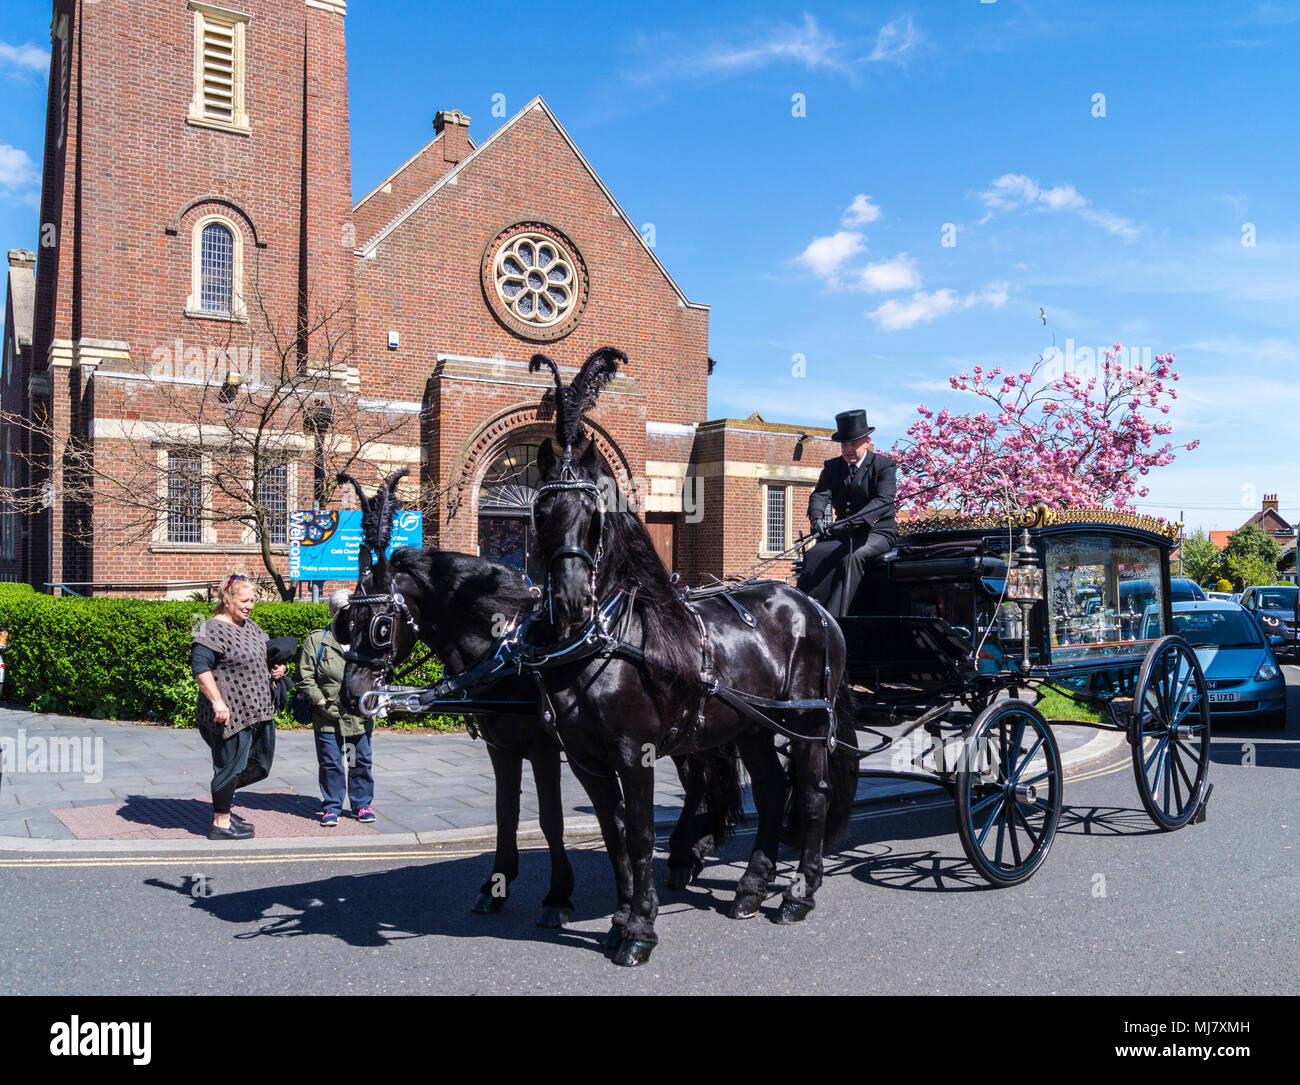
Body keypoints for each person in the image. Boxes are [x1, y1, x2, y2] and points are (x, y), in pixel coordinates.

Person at [191, 574, 286, 840]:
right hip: (229, 714)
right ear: (227, 600)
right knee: (229, 766)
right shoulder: (206, 627)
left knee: (259, 763)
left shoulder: (250, 626)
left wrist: (278, 669)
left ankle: (224, 807)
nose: (250, 605)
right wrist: (217, 701)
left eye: (252, 600)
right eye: (244, 600)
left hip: (258, 710)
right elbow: (200, 668)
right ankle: (220, 823)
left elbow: (263, 656)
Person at [796, 409, 898, 617]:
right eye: (844, 445)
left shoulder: (884, 466)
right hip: (843, 534)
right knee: (814, 553)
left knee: (852, 557)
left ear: (867, 441)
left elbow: (883, 501)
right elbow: (820, 494)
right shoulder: (833, 467)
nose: (848, 449)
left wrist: (851, 522)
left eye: (853, 444)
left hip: (877, 533)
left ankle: (835, 620)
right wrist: (817, 519)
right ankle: (805, 614)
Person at [297, 589, 376, 827]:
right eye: (345, 612)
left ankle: (361, 805)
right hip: (327, 715)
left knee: (357, 761)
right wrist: (320, 701)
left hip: (358, 715)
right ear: (333, 613)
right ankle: (332, 806)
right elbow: (305, 677)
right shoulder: (317, 641)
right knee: (331, 762)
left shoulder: (366, 641)